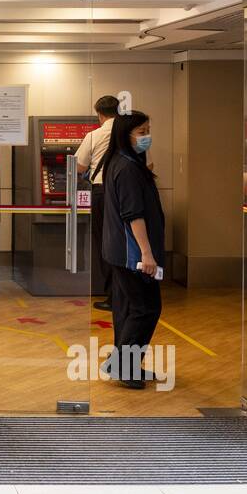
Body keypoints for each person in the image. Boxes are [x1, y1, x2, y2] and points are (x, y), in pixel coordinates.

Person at [98, 111, 165, 389]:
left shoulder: (122, 162)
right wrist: (147, 254)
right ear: (125, 136)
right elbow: (133, 214)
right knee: (146, 308)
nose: (146, 136)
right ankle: (122, 367)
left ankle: (125, 365)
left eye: (148, 129)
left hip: (120, 251)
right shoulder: (126, 169)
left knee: (127, 310)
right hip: (132, 254)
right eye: (141, 131)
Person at [75, 95, 120, 310]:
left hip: (102, 193)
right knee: (125, 242)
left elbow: (78, 167)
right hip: (126, 194)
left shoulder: (94, 135)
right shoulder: (130, 134)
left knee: (105, 242)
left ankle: (113, 296)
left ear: (100, 114)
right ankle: (127, 293)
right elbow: (148, 165)